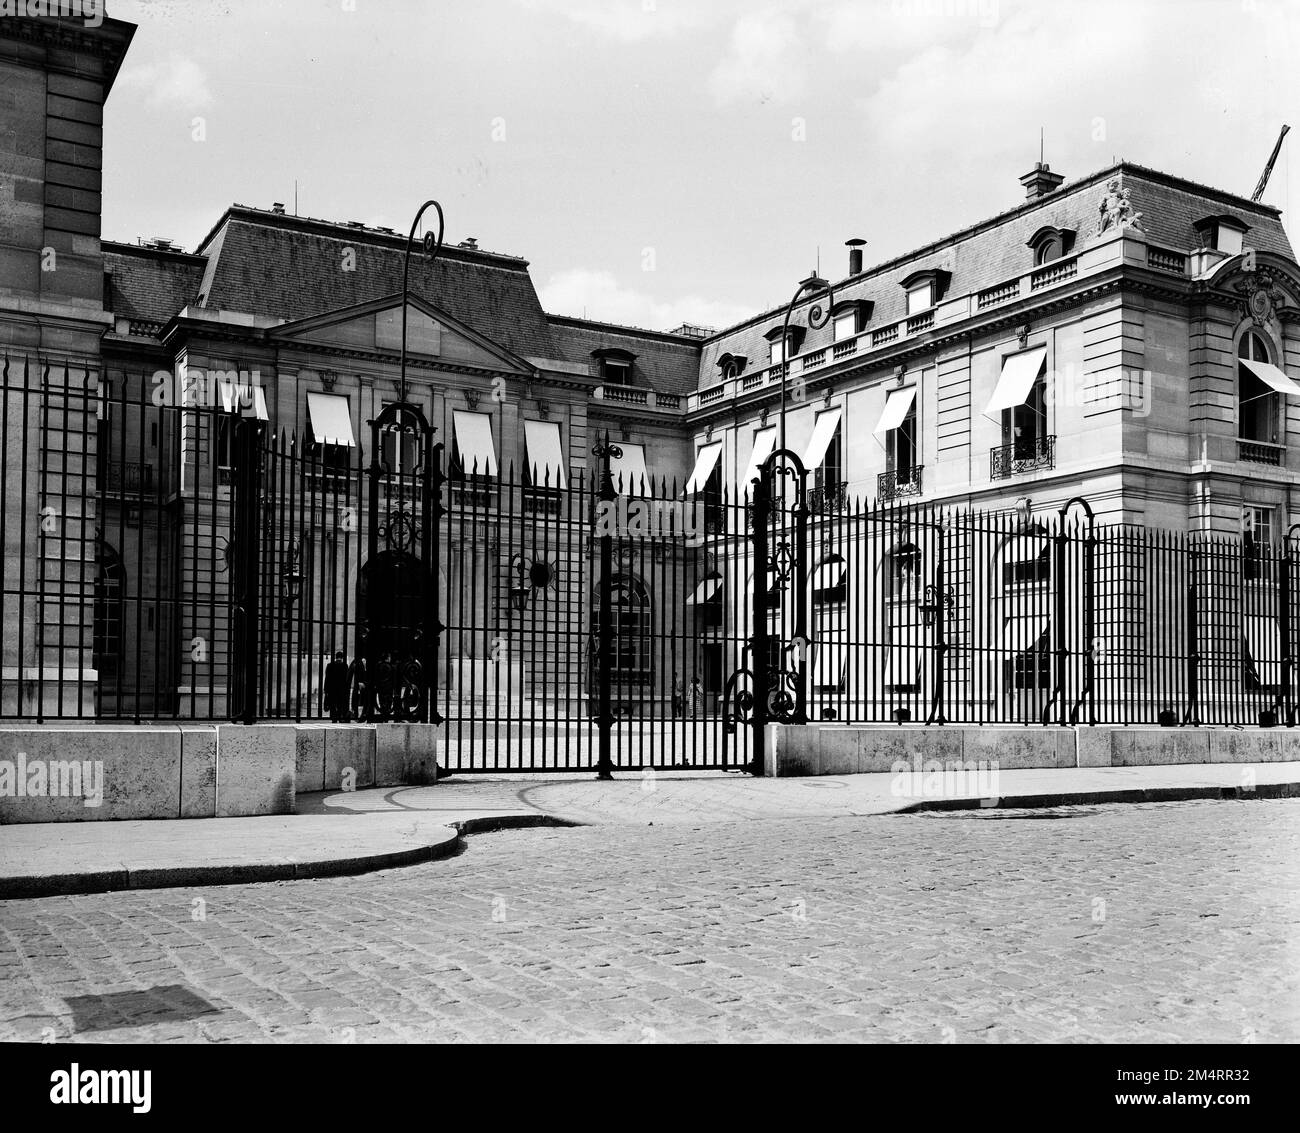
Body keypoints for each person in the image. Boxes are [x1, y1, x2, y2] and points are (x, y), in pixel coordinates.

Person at [324, 651, 350, 722]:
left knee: (332, 704)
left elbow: (327, 678)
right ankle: (340, 717)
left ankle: (333, 718)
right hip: (341, 689)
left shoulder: (330, 665)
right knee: (340, 704)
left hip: (332, 688)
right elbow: (346, 679)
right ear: (342, 658)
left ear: (336, 657)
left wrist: (326, 689)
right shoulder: (345, 666)